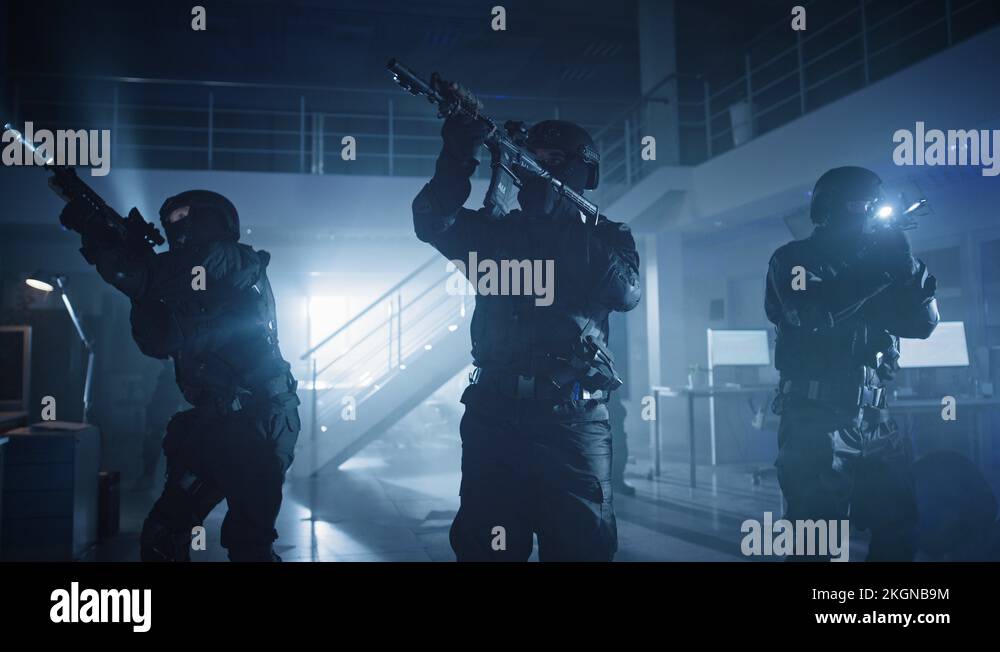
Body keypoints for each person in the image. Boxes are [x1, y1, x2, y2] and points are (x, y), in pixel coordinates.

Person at [413, 112, 641, 561]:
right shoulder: (499, 234)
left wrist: (560, 223)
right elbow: (431, 222)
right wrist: (457, 156)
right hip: (494, 418)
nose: (542, 169)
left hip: (572, 422)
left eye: (554, 160)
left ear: (582, 171)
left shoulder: (607, 237)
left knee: (582, 549)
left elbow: (625, 291)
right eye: (534, 160)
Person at [60, 189, 300, 562]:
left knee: (248, 545)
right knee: (162, 537)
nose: (176, 226)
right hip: (214, 421)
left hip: (259, 420)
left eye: (186, 215)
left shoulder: (236, 261)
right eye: (169, 220)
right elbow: (157, 341)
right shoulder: (182, 285)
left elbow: (149, 274)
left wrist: (104, 239)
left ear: (217, 221)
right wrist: (129, 271)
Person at [765, 166, 939, 561]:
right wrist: (877, 271)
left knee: (899, 527)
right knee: (815, 542)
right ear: (832, 209)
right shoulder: (793, 259)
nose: (871, 215)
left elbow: (924, 325)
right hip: (815, 419)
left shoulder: (883, 263)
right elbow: (810, 314)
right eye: (865, 205)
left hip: (877, 420)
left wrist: (910, 271)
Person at [133, 361, 188, 492]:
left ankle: (152, 477)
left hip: (179, 386)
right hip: (170, 388)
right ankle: (150, 476)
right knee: (154, 435)